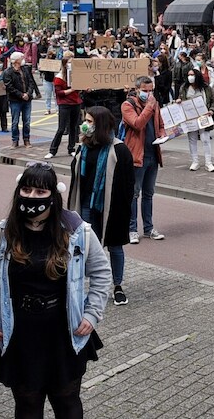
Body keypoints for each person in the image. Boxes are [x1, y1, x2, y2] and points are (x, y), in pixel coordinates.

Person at [0, 162, 111, 419]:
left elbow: (101, 273)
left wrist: (92, 313)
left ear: (53, 195)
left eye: (40, 192)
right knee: (27, 403)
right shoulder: (3, 232)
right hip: (19, 331)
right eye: (26, 190)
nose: (32, 196)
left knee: (67, 400)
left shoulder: (77, 232)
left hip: (63, 330)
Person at [67, 106, 135, 306]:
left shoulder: (119, 149)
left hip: (111, 207)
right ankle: (86, 284)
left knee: (114, 246)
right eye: (85, 120)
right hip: (86, 205)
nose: (85, 125)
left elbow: (128, 184)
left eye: (89, 121)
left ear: (101, 124)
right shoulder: (83, 147)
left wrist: (124, 211)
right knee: (86, 245)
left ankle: (117, 286)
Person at [122, 76, 166, 244]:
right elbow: (137, 124)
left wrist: (163, 134)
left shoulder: (155, 104)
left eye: (151, 91)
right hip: (137, 156)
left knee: (148, 193)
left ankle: (148, 228)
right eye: (145, 91)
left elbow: (160, 124)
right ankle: (132, 229)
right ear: (137, 90)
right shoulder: (128, 105)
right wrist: (149, 106)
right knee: (134, 193)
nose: (148, 94)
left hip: (152, 154)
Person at [44, 54, 82, 159]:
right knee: (61, 128)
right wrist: (71, 90)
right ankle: (52, 150)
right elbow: (59, 93)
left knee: (73, 127)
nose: (71, 65)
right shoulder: (59, 77)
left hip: (75, 103)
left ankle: (71, 148)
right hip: (64, 104)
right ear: (65, 64)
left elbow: (79, 89)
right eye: (69, 63)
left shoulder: (76, 75)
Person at [182, 67, 214, 172]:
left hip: (204, 117)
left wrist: (211, 110)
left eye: (192, 75)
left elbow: (213, 101)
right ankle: (195, 161)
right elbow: (181, 99)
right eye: (189, 75)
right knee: (192, 139)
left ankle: (208, 162)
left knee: (205, 139)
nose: (190, 77)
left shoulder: (206, 88)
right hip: (190, 118)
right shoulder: (184, 88)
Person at [4, 51, 40, 149]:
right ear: (16, 60)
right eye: (21, 58)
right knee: (15, 121)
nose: (23, 59)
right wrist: (21, 95)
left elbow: (31, 82)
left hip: (27, 100)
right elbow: (9, 87)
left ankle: (26, 139)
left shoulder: (25, 69)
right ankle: (15, 140)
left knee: (27, 121)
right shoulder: (8, 72)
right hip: (15, 100)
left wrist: (28, 93)